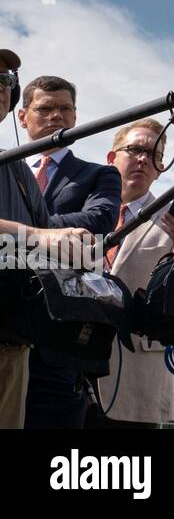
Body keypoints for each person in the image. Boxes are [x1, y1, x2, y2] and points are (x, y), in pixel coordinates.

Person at [18, 75, 123, 429]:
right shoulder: (5, 170)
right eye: (45, 109)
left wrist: (21, 226)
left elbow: (100, 219)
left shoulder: (99, 175)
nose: (56, 116)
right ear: (23, 117)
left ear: (76, 116)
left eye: (64, 108)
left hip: (58, 338)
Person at [0, 51, 90, 429]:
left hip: (12, 345)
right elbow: (40, 238)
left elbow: (46, 249)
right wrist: (39, 237)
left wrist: (74, 247)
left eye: (4, 79)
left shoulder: (17, 168)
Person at [89, 119, 174, 428]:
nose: (143, 159)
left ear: (161, 166)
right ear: (112, 158)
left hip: (136, 379)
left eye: (153, 154)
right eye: (135, 149)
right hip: (70, 368)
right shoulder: (83, 208)